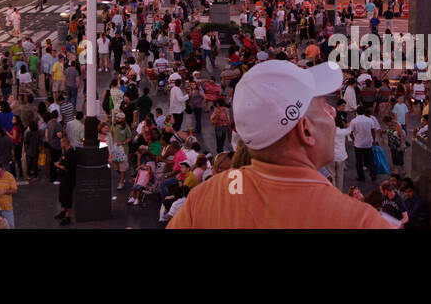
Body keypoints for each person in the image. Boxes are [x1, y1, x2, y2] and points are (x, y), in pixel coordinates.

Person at [167, 60, 392, 229]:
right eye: (323, 105)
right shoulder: (359, 221)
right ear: (305, 131)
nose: (332, 111)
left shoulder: (203, 200)